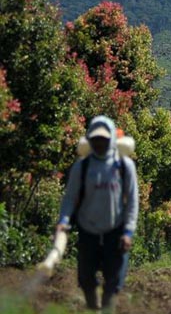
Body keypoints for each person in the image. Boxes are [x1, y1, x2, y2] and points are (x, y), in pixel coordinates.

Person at [56, 115, 139, 312]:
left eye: (103, 139)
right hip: (88, 230)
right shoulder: (82, 166)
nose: (99, 143)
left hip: (115, 230)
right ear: (89, 139)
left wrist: (128, 232)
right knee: (85, 278)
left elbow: (132, 201)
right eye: (95, 139)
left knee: (113, 280)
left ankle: (107, 309)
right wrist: (63, 220)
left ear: (111, 139)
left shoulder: (124, 166)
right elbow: (70, 198)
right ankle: (93, 308)